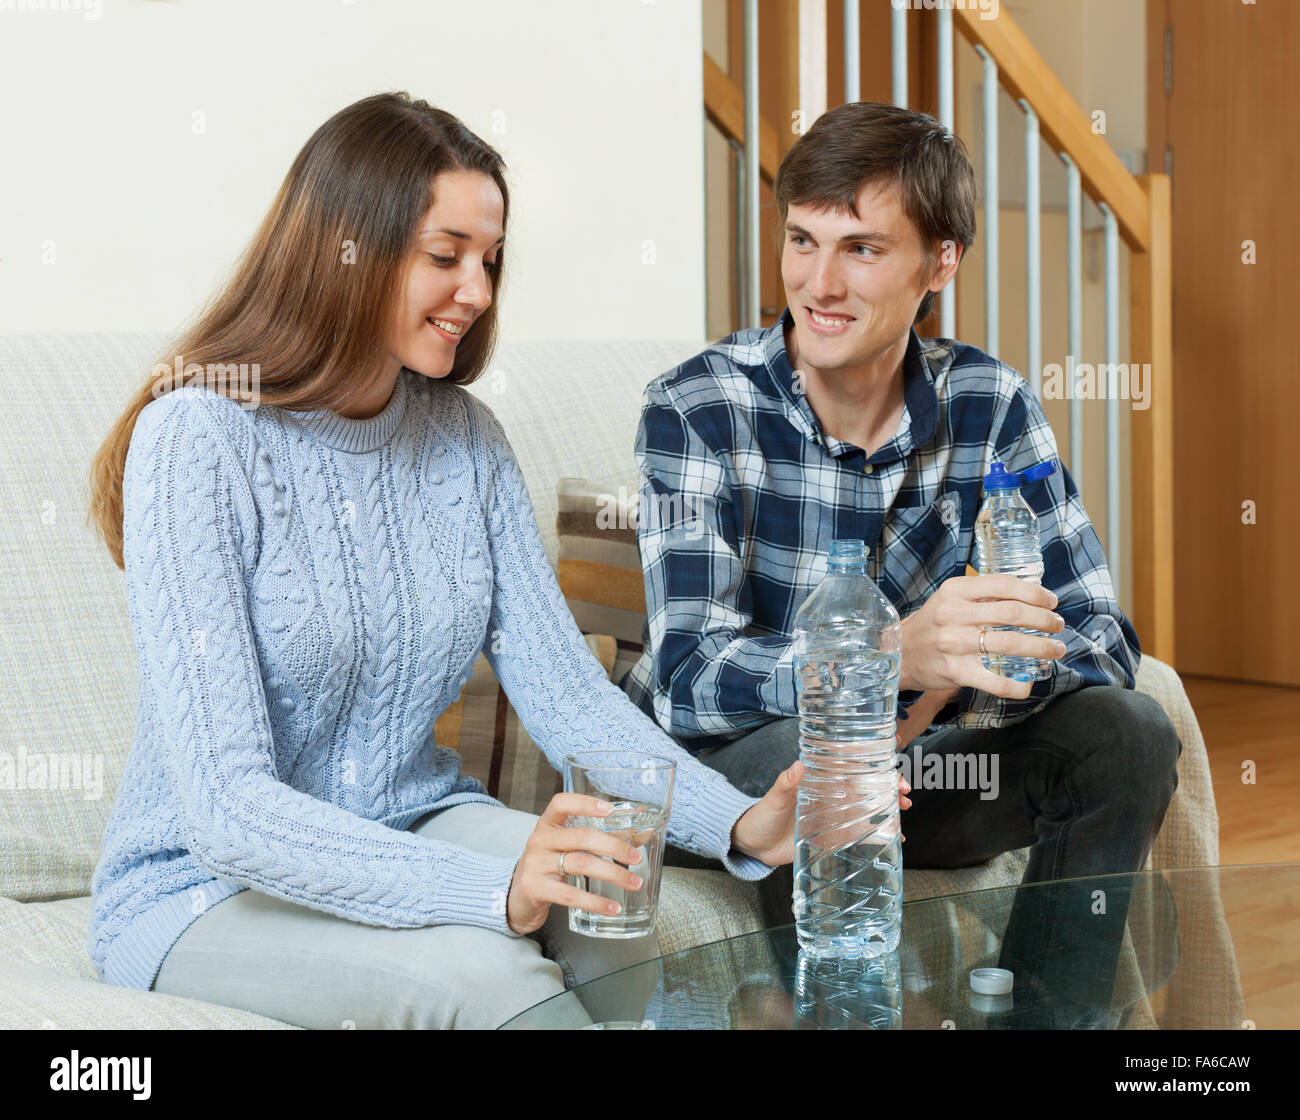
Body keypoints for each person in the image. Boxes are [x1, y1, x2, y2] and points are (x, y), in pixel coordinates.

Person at [84, 92, 819, 1031]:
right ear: (345, 249)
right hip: (203, 884)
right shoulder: (198, 439)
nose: (476, 291)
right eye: (445, 256)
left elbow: (567, 691)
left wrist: (741, 824)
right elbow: (227, 808)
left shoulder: (465, 440)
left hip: (412, 814)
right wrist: (493, 892)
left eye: (490, 260)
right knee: (492, 982)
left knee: (608, 900)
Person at [621, 102, 1182, 1019]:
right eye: (802, 240)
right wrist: (891, 655)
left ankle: (1049, 1018)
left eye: (863, 249)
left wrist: (958, 675)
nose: (819, 283)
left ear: (941, 262)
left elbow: (1100, 641)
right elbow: (686, 679)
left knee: (1130, 729)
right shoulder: (695, 408)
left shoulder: (990, 404)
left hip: (925, 771)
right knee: (820, 754)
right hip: (751, 779)